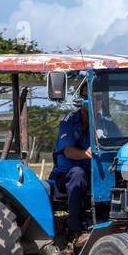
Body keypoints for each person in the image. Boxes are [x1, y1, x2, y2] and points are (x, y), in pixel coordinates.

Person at [51, 95, 93, 238]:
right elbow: (68, 152)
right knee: (77, 173)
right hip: (66, 175)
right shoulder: (67, 122)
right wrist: (87, 154)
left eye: (98, 96)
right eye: (88, 96)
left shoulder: (105, 123)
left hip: (92, 173)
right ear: (81, 101)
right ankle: (77, 231)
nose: (95, 100)